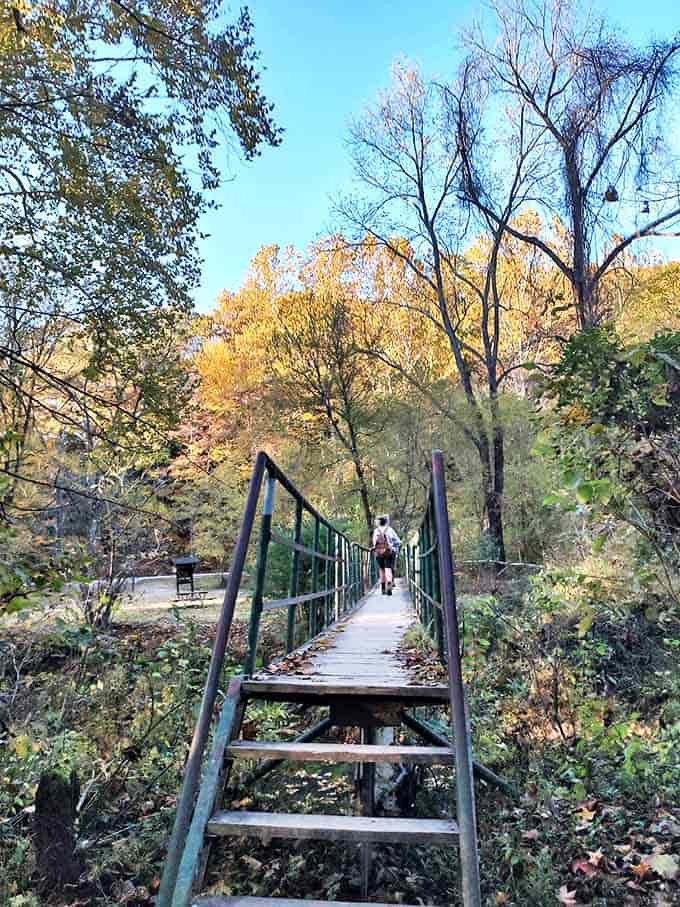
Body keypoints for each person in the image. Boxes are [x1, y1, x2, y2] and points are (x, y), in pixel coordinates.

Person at [372, 515, 401, 595]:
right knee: (388, 568)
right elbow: (398, 542)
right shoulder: (390, 530)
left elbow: (374, 543)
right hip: (389, 552)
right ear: (386, 522)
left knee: (381, 569)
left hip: (379, 553)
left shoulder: (376, 531)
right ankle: (389, 582)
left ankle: (383, 589)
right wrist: (394, 548)